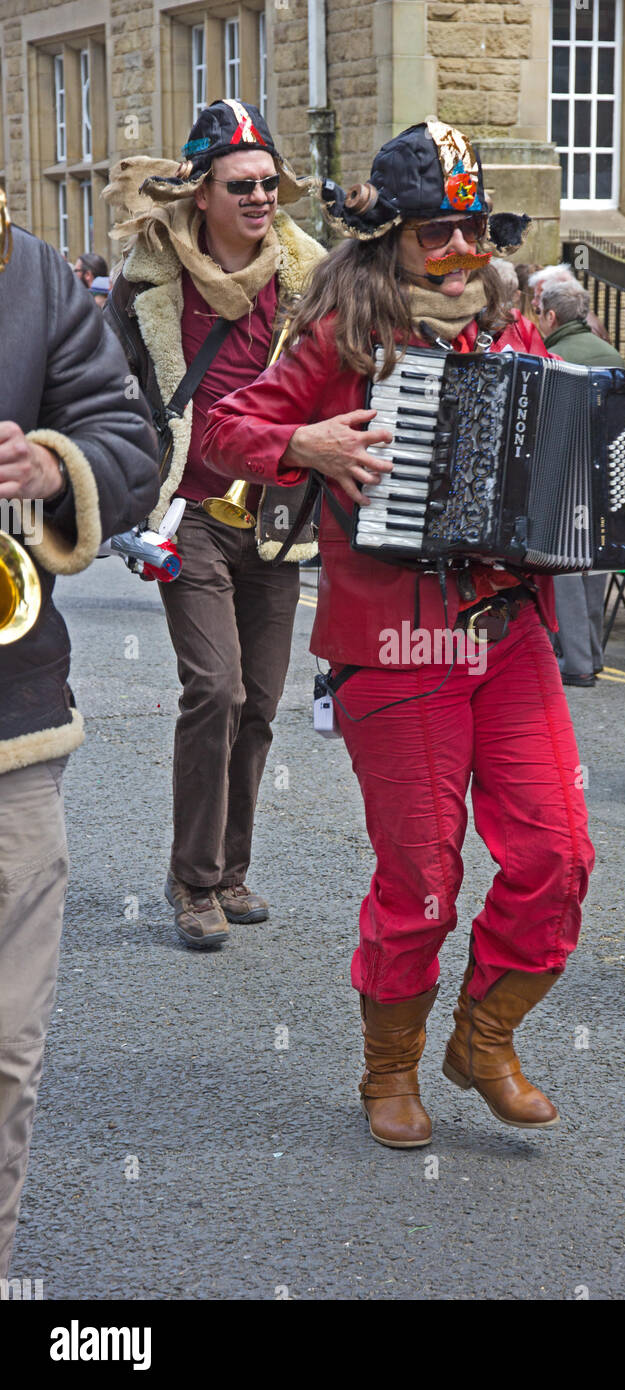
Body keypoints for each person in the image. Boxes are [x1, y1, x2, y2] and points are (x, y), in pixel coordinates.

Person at [202, 120, 625, 1148]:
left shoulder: (513, 334)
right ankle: (389, 1068)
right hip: (397, 648)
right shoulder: (338, 337)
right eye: (438, 235)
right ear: (390, 240)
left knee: (557, 852)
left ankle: (484, 1037)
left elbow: (579, 467)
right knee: (420, 879)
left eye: (476, 231)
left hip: (506, 635)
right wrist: (305, 441)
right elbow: (220, 428)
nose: (463, 254)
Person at [105, 98, 324, 950]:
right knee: (217, 688)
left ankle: (231, 869)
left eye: (271, 182)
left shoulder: (311, 275)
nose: (263, 196)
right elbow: (108, 396)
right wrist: (125, 503)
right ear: (202, 192)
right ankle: (192, 881)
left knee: (262, 703)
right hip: (191, 514)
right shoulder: (146, 280)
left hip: (276, 513)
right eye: (243, 184)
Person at [0, 196, 159, 1280]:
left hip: (7, 725)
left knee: (5, 1052)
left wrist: (54, 466)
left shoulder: (31, 271)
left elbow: (125, 437)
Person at [538, 278, 625, 686]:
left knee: (567, 572)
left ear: (551, 316)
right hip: (608, 474)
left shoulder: (550, 354)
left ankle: (576, 664)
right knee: (594, 565)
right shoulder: (612, 354)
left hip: (564, 476)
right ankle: (592, 652)